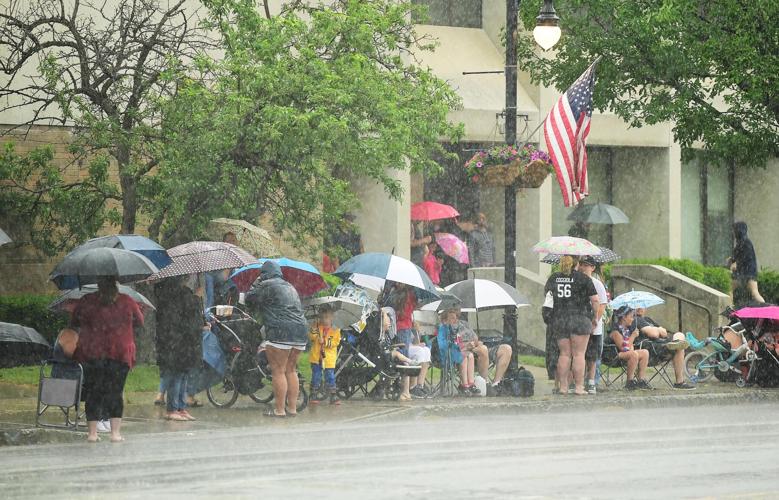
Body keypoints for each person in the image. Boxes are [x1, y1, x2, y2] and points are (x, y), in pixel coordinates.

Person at [71, 276, 143, 443]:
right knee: (115, 393)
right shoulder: (127, 301)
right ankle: (115, 433)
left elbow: (75, 321)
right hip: (120, 352)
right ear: (116, 285)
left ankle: (92, 434)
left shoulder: (87, 301)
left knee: (94, 393)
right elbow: (140, 321)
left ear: (98, 285)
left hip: (93, 352)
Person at [245, 260, 308, 417]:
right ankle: (292, 409)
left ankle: (279, 410)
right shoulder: (290, 286)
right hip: (300, 331)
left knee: (278, 371)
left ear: (264, 273)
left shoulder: (266, 285)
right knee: (291, 370)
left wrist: (256, 282)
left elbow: (249, 300)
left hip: (281, 332)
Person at [544, 255, 599, 396]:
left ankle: (563, 387)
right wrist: (595, 317)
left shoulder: (553, 278)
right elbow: (595, 300)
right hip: (580, 319)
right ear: (577, 264)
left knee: (564, 354)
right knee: (579, 355)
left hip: (560, 320)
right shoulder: (583, 278)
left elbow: (548, 298)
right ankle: (579, 387)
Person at [155, 274, 204, 421]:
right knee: (177, 376)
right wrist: (196, 298)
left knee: (182, 375)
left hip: (176, 342)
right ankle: (172, 409)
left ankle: (181, 408)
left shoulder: (165, 294)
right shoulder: (179, 295)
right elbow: (186, 318)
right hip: (178, 342)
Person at [634, 308, 695, 390]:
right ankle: (679, 382)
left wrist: (657, 330)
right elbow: (654, 334)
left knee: (679, 335)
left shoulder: (648, 319)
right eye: (637, 306)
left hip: (663, 344)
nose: (640, 308)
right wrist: (658, 330)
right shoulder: (636, 320)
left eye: (642, 306)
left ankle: (676, 344)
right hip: (652, 350)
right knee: (679, 348)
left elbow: (664, 333)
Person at [578, 256, 608, 395]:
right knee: (579, 355)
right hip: (579, 325)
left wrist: (594, 321)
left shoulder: (597, 284)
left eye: (586, 265)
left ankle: (591, 382)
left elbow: (602, 304)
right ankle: (578, 381)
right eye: (582, 264)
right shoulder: (576, 282)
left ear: (593, 268)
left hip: (594, 327)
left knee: (592, 356)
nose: (583, 267)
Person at [438, 308, 479, 395]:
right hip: (445, 356)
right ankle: (464, 385)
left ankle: (471, 384)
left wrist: (466, 347)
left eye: (455, 317)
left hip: (455, 353)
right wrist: (463, 348)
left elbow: (458, 343)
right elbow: (444, 345)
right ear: (445, 320)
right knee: (463, 356)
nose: (455, 320)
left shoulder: (454, 330)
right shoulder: (443, 329)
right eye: (452, 318)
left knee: (470, 355)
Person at [609, 306, 651, 390]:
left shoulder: (627, 329)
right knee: (633, 354)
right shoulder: (615, 331)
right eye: (631, 317)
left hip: (625, 353)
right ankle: (630, 382)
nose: (633, 319)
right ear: (624, 318)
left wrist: (632, 336)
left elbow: (629, 347)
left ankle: (641, 380)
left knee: (645, 352)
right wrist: (633, 336)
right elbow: (623, 348)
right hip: (613, 355)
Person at [309, 306, 341, 405]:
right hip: (316, 357)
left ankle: (333, 394)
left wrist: (326, 342)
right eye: (322, 317)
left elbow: (336, 342)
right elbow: (312, 336)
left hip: (328, 358)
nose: (324, 320)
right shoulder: (317, 327)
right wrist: (314, 330)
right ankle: (313, 393)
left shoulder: (335, 329)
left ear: (332, 317)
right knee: (316, 376)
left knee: (330, 376)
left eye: (326, 317)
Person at [728, 221, 765, 304]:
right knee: (755, 293)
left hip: (743, 272)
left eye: (734, 230)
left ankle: (730, 309)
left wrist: (734, 262)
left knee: (728, 289)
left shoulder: (743, 242)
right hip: (750, 272)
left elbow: (742, 256)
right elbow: (742, 256)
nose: (733, 233)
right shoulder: (745, 242)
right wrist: (733, 259)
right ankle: (767, 309)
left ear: (738, 231)